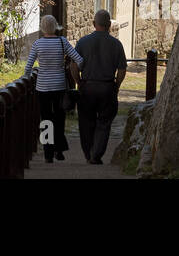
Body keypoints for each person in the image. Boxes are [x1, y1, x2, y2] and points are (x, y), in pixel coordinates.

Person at [21, 14, 82, 162]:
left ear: (42, 28)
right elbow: (79, 59)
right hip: (59, 86)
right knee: (59, 118)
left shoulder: (37, 44)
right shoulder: (62, 42)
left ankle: (48, 153)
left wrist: (24, 78)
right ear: (56, 26)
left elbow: (28, 66)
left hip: (43, 87)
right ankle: (59, 150)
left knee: (46, 119)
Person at [74, 9, 128, 164]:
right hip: (107, 87)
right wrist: (116, 86)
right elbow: (122, 69)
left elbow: (73, 66)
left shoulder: (83, 42)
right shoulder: (116, 44)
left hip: (87, 86)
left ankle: (88, 151)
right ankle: (96, 153)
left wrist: (79, 82)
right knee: (104, 122)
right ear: (110, 25)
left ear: (93, 24)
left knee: (86, 121)